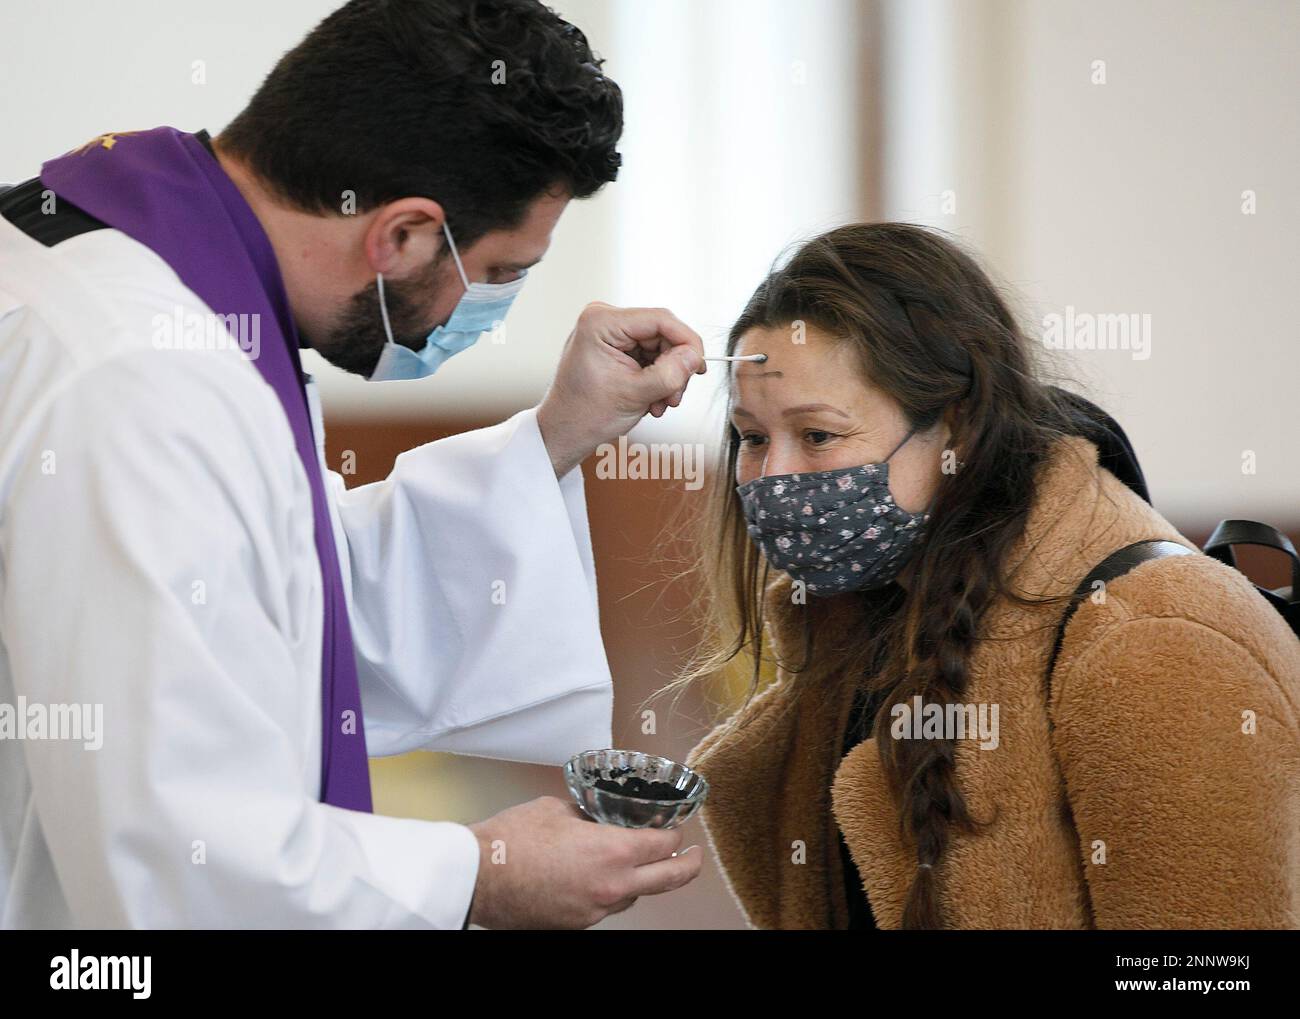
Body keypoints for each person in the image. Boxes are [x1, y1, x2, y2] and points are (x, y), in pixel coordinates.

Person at [0, 0, 706, 929]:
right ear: (403, 235)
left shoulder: (154, 262)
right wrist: (476, 872)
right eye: (499, 274)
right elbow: (176, 846)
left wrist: (555, 435)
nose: (491, 307)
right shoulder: (144, 381)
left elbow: (273, 594)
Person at [674, 222, 1300, 929]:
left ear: (957, 428)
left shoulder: (1156, 638)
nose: (773, 476)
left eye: (818, 435)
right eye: (753, 438)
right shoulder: (866, 614)